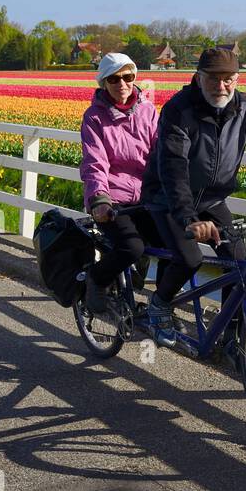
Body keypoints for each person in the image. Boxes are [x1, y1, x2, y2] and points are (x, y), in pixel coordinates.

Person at [141, 44, 246, 345]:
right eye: (213, 78)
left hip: (212, 199)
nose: (221, 86)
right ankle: (159, 304)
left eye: (228, 78)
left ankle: (231, 340)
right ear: (198, 77)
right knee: (190, 257)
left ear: (238, 79)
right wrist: (189, 219)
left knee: (240, 262)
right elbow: (174, 168)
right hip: (167, 199)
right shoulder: (179, 110)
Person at [79, 52, 159, 312]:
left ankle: (161, 307)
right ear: (104, 83)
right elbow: (95, 161)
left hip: (147, 196)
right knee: (133, 247)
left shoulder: (147, 110)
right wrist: (99, 199)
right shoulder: (94, 117)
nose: (122, 84)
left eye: (127, 77)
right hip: (114, 199)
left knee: (178, 243)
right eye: (114, 79)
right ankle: (97, 279)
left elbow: (160, 153)